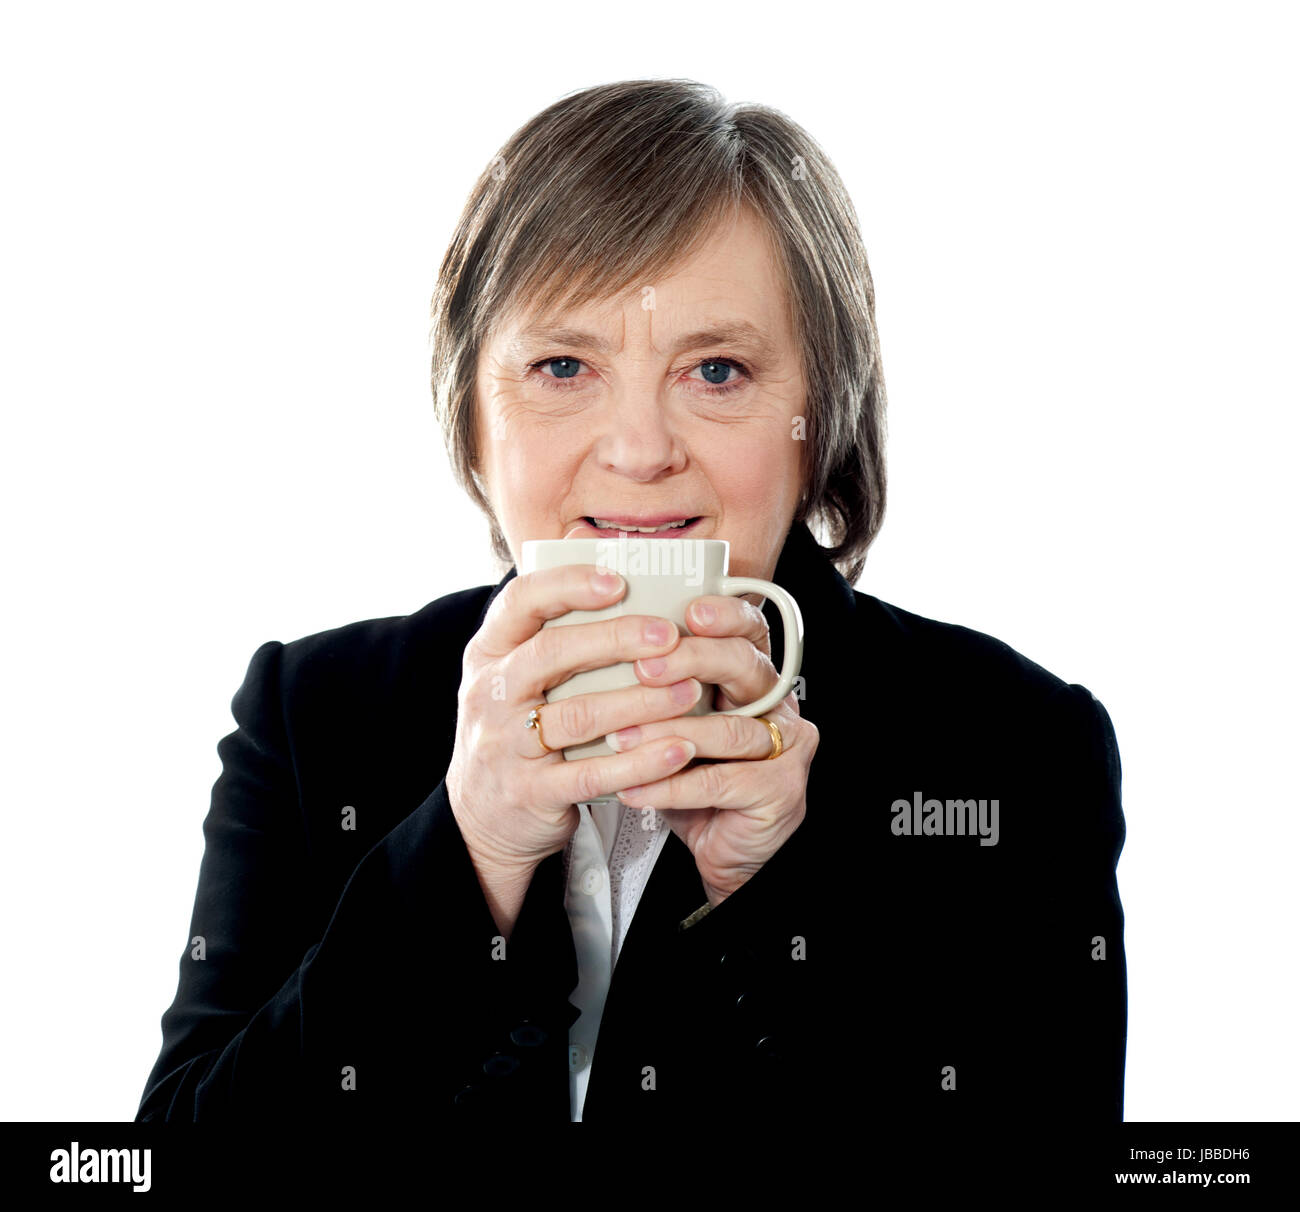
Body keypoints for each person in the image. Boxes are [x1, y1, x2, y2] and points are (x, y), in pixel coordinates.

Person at [136, 78, 1126, 1126]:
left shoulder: (1017, 746)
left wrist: (772, 901)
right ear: (470, 415)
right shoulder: (314, 714)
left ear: (819, 415)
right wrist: (467, 851)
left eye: (717, 370)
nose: (640, 451)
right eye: (563, 365)